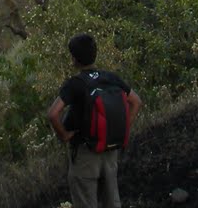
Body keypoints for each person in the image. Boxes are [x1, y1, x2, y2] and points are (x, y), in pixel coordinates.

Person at [46, 33, 142, 208]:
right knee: (112, 201)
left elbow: (53, 114)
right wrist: (122, 126)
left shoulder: (76, 83)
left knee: (85, 201)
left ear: (74, 59)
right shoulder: (111, 78)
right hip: (110, 150)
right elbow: (136, 102)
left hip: (85, 153)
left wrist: (65, 135)